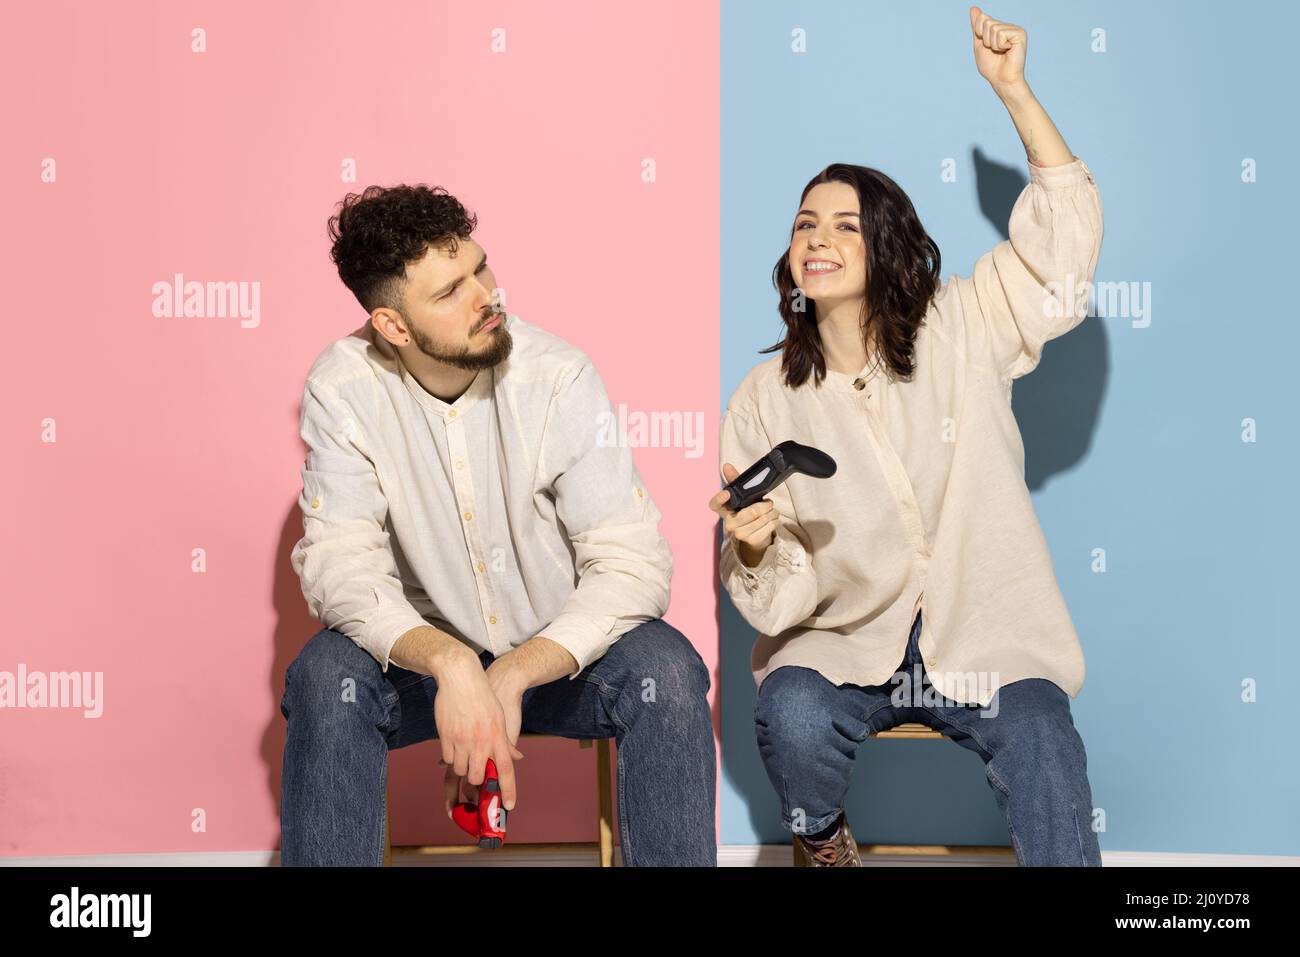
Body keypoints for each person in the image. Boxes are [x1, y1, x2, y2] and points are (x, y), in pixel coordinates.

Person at [709, 6, 1104, 867]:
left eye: (845, 224)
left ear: (886, 245)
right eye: (806, 223)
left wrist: (1014, 92)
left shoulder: (964, 322)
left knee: (1044, 736)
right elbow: (779, 605)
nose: (818, 238)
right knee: (793, 708)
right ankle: (821, 841)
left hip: (985, 635)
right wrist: (752, 550)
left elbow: (1062, 264)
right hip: (850, 642)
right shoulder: (763, 398)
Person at [280, 182, 716, 866]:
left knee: (669, 669)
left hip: (555, 663)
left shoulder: (557, 376)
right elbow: (341, 565)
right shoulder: (343, 389)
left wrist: (512, 672)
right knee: (323, 678)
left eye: (481, 268)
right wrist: (451, 661)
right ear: (393, 326)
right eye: (450, 290)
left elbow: (631, 561)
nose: (487, 295)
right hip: (424, 670)